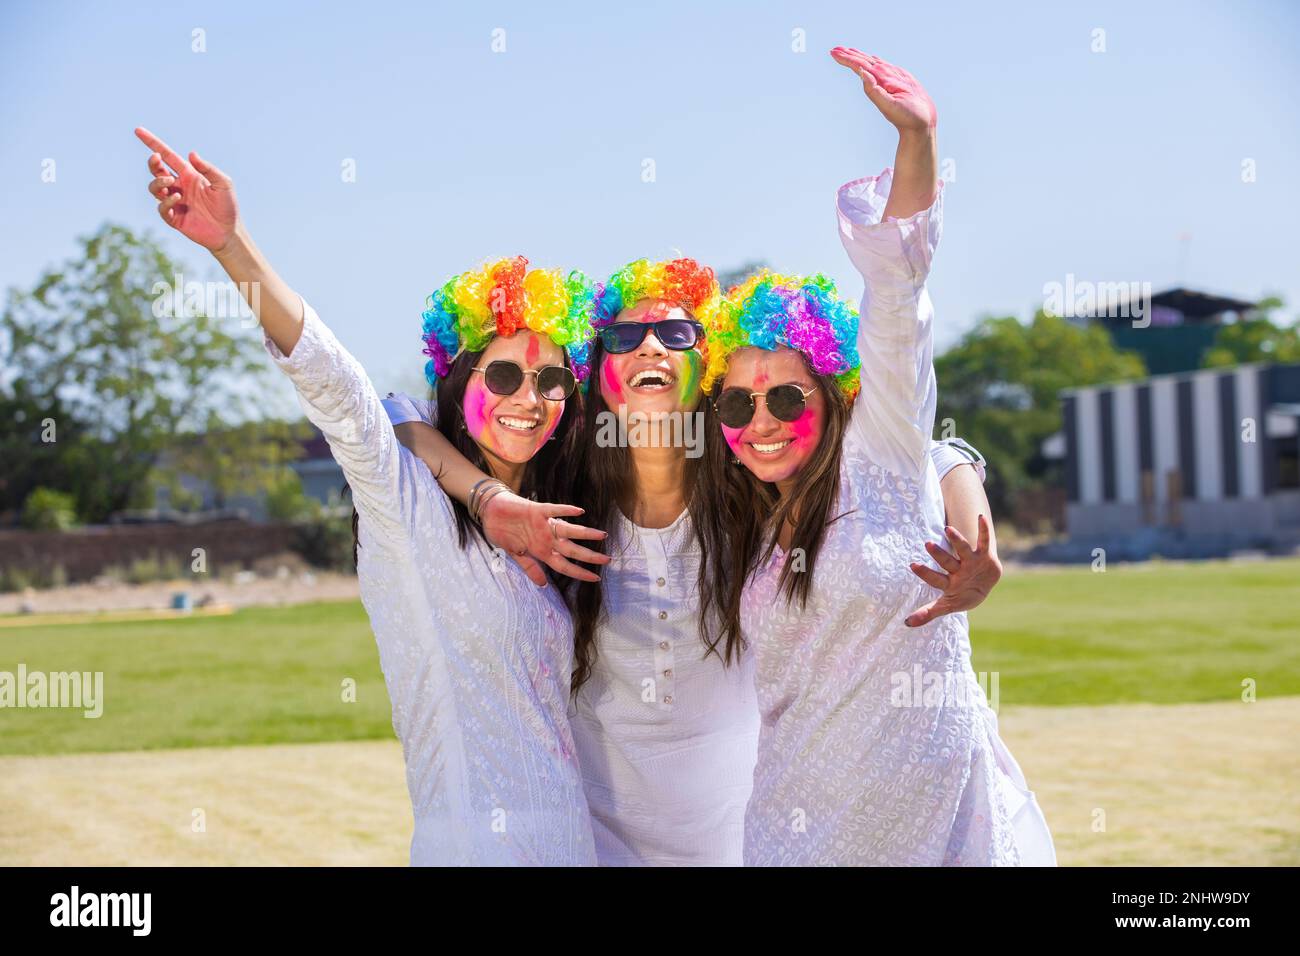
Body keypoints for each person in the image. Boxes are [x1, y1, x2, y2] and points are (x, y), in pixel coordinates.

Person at [133, 127, 606, 865]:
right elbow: (350, 396)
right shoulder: (406, 503)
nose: (531, 398)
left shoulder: (555, 523)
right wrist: (234, 248)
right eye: (504, 375)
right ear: (458, 381)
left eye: (551, 380)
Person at [699, 49, 1055, 865]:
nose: (761, 421)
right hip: (800, 829)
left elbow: (896, 299)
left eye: (787, 396)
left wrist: (918, 140)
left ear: (835, 398)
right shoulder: (730, 515)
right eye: (737, 402)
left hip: (945, 826)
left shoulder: (883, 458)